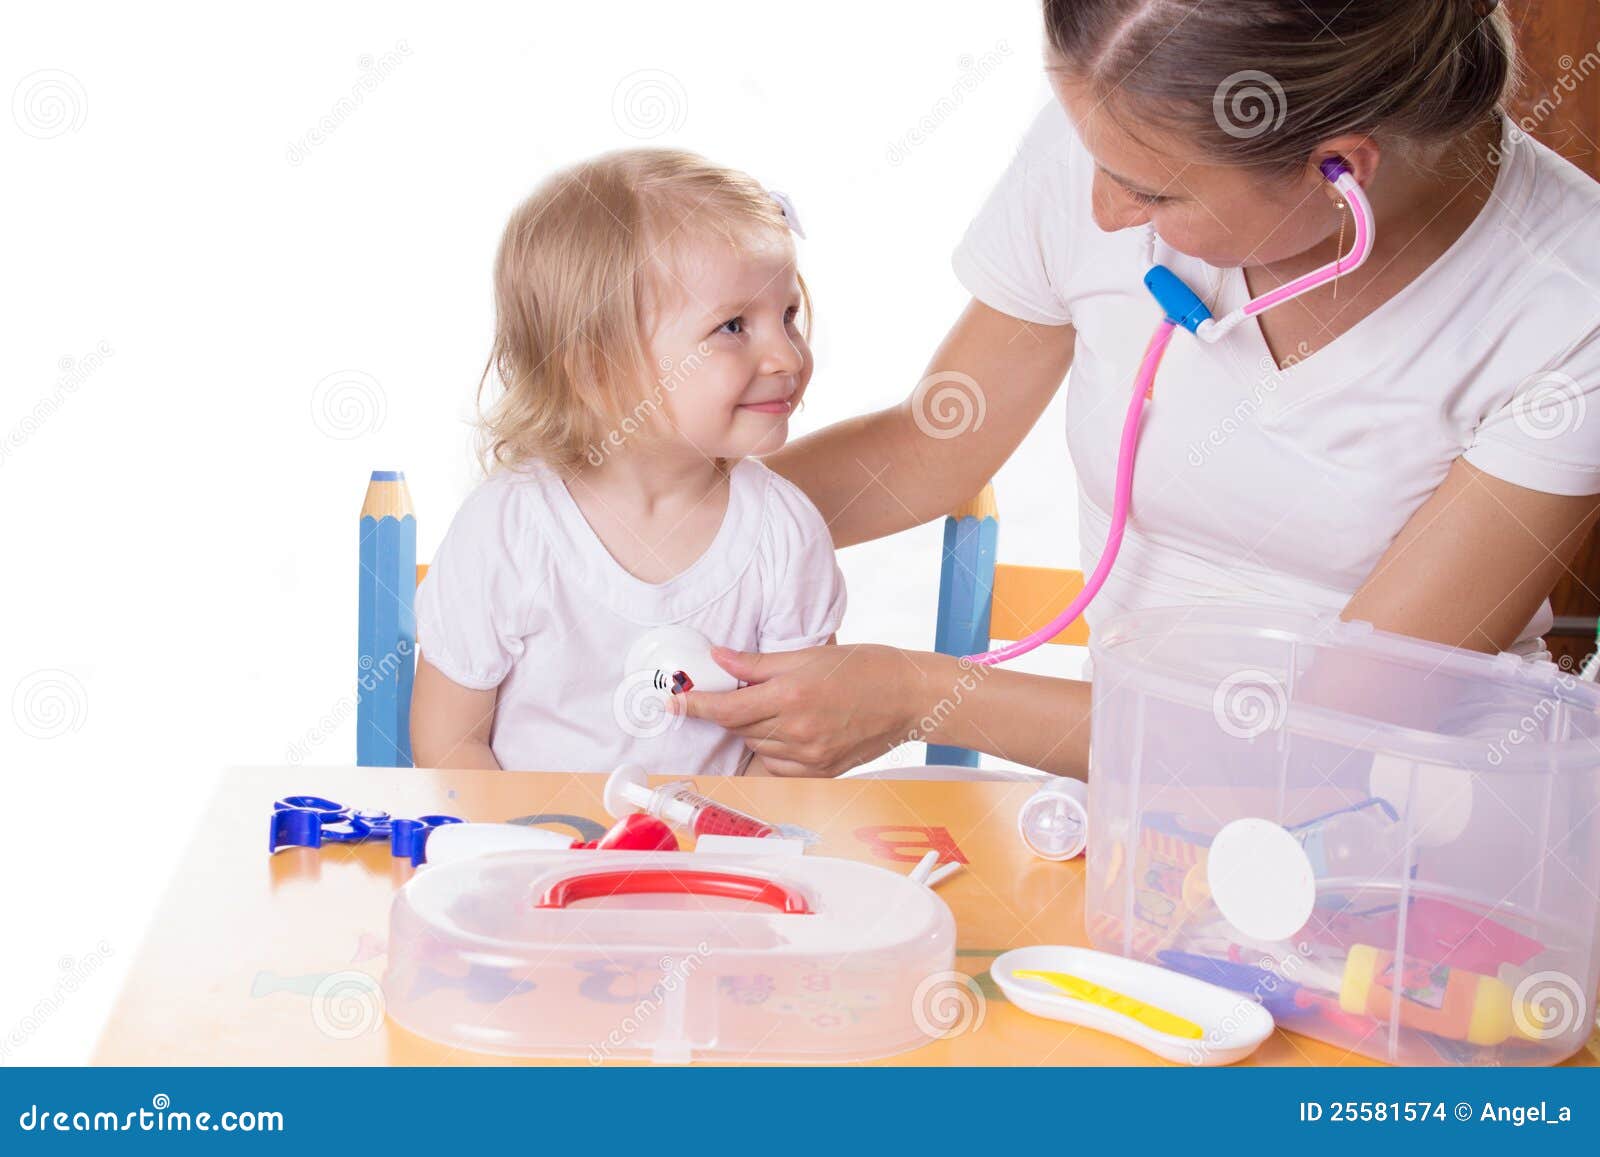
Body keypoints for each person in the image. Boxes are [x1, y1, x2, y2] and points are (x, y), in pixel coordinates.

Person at [675, 0, 1600, 778]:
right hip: (1134, 794)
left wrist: (921, 696)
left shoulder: (1571, 303)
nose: (1104, 214)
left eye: (1150, 196)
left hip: (1400, 827)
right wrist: (651, 521)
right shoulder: (1127, 123)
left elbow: (1332, 740)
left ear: (1340, 174)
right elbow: (931, 448)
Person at [410, 149, 845, 773]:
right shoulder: (510, 528)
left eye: (788, 316)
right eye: (732, 327)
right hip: (528, 856)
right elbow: (449, 744)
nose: (788, 355)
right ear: (595, 367)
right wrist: (523, 856)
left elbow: (791, 750)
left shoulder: (785, 533)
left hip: (712, 864)